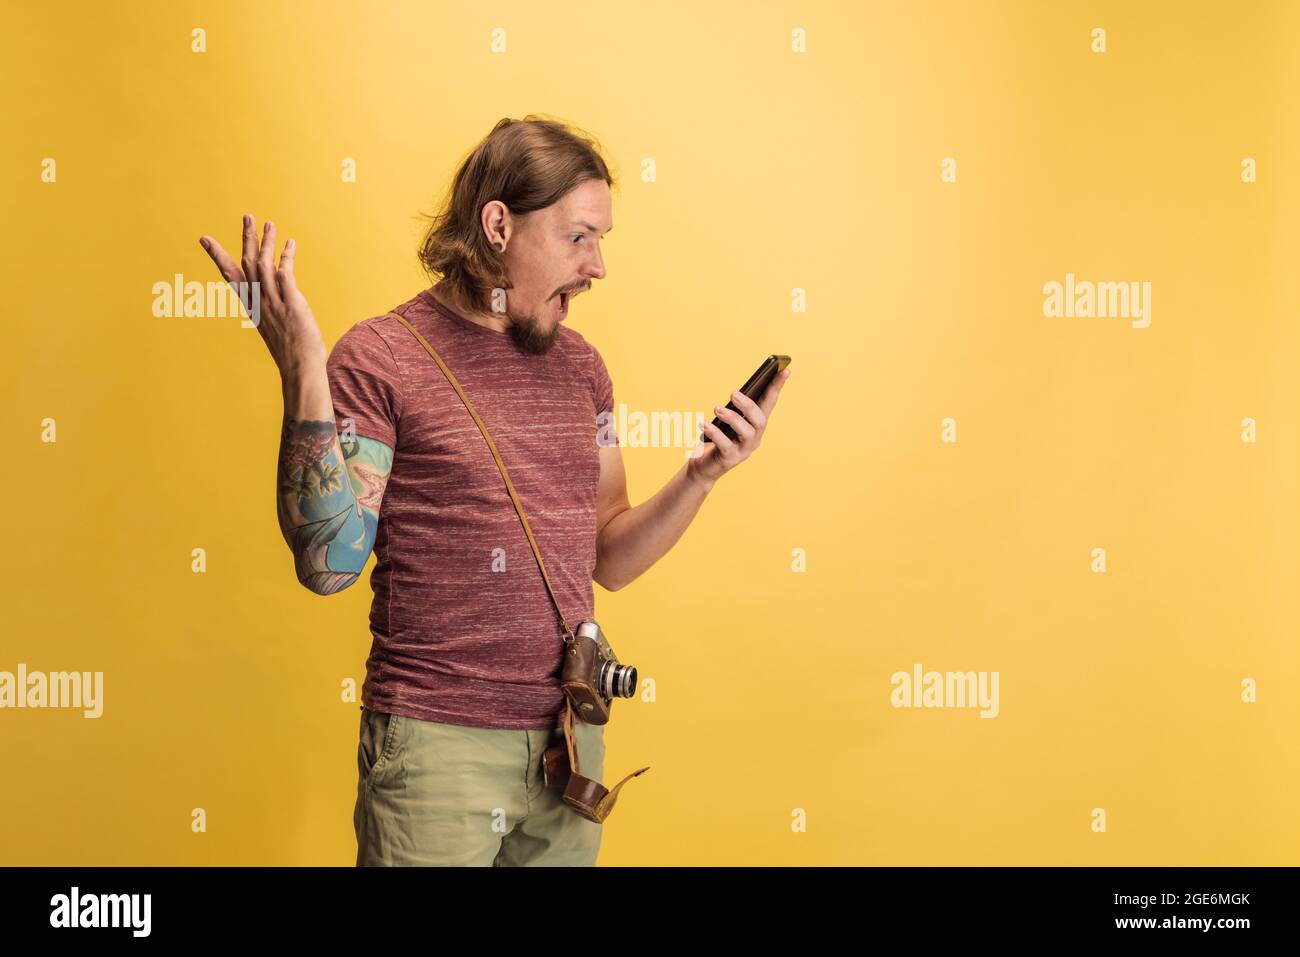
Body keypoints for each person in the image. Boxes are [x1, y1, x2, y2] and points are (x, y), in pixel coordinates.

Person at [198, 115, 792, 866]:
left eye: (602, 240)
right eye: (579, 238)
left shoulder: (584, 372)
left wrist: (703, 474)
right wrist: (303, 372)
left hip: (570, 749)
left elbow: (609, 555)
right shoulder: (383, 358)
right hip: (434, 753)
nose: (599, 266)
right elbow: (329, 562)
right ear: (499, 225)